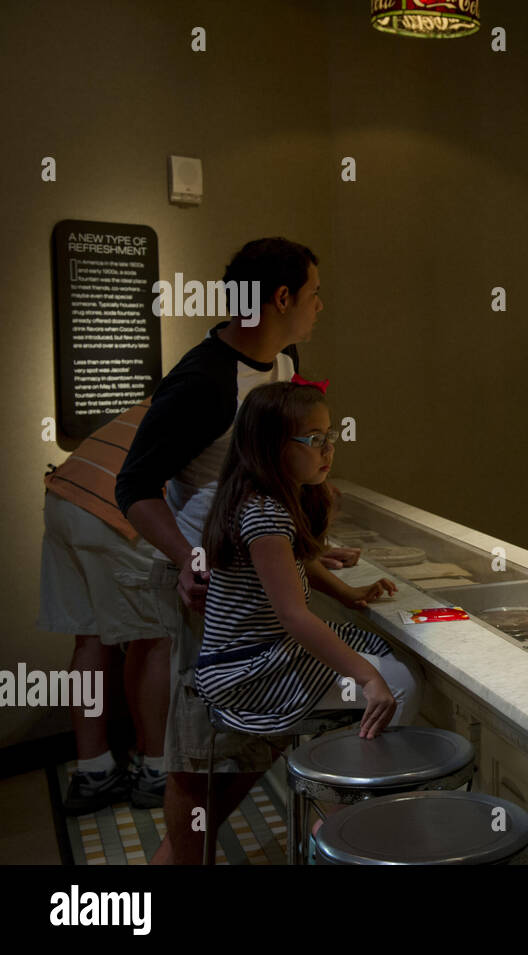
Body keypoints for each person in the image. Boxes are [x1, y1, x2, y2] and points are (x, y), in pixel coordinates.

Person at [116, 237, 359, 863]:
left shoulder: (284, 358)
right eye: (313, 295)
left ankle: (181, 850)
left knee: (259, 729)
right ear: (281, 298)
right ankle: (178, 856)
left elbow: (274, 468)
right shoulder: (202, 381)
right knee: (197, 750)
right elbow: (135, 487)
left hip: (253, 572)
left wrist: (301, 546)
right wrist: (184, 558)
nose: (320, 307)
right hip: (206, 582)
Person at [194, 380, 416, 737]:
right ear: (271, 447)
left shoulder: (260, 499)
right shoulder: (266, 515)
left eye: (330, 437)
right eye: (315, 439)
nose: (328, 449)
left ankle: (356, 774)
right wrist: (368, 678)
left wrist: (346, 593)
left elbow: (292, 564)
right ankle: (362, 789)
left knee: (380, 653)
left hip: (255, 656)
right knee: (399, 682)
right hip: (246, 670)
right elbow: (293, 615)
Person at [38, 401, 170, 813]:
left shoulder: (180, 389)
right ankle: (155, 767)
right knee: (155, 636)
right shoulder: (236, 409)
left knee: (92, 636)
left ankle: (94, 770)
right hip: (115, 508)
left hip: (67, 495)